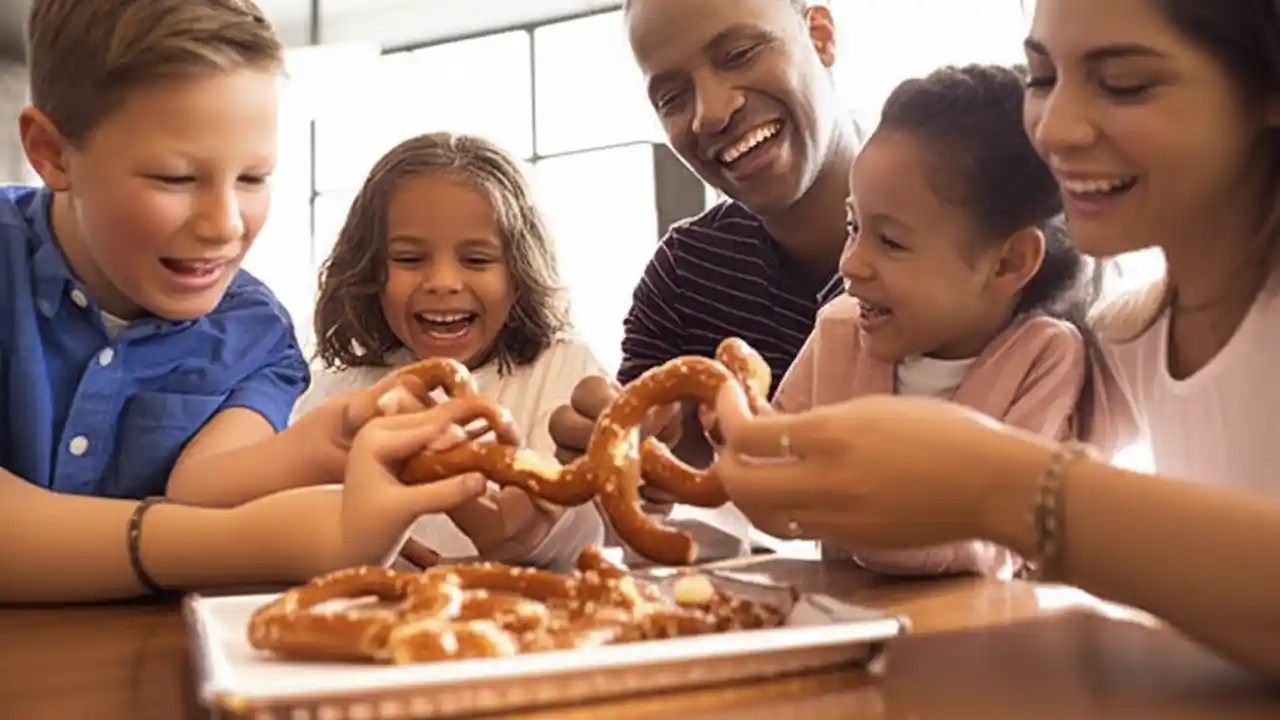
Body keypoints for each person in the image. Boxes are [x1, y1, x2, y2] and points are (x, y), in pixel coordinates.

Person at [712, 0, 1280, 680]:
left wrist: (998, 487)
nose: (1054, 130)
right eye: (1042, 78)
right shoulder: (1130, 341)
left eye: (1124, 82)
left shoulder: (1065, 353)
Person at [774, 63, 1132, 579]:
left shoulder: (1045, 359)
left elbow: (982, 543)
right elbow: (771, 458)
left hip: (980, 641)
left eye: (891, 241)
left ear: (1008, 263)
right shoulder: (838, 330)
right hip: (843, 627)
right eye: (853, 226)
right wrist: (731, 442)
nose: (849, 262)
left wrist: (833, 508)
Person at [548, 0, 860, 552]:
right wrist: (626, 458)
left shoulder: (976, 223)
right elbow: (650, 505)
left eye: (738, 53)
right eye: (672, 97)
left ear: (820, 35)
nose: (710, 114)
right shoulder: (685, 277)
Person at [297, 133, 604, 571]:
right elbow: (303, 522)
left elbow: (592, 520)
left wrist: (528, 527)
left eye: (477, 260)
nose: (443, 281)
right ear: (368, 270)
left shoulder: (564, 371)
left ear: (520, 273)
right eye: (409, 259)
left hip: (546, 623)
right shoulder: (340, 400)